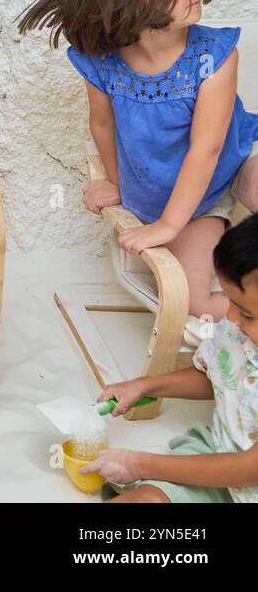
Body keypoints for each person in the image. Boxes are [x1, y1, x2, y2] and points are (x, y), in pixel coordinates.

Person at [16, 0, 258, 334]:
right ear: (126, 0)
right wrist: (116, 183)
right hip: (188, 201)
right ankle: (247, 313)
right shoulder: (101, 63)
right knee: (192, 302)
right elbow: (103, 124)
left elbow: (207, 149)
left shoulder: (213, 57)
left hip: (231, 163)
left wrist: (167, 227)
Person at [84, 212, 258, 503]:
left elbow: (249, 469)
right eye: (229, 302)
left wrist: (139, 463)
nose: (229, 316)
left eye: (248, 313)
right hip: (214, 454)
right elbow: (218, 375)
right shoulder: (237, 330)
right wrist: (146, 386)